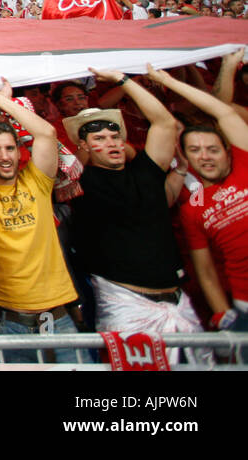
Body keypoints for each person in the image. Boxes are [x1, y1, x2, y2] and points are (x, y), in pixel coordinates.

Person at [71, 67, 206, 355]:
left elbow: (164, 123)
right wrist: (83, 134)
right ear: (84, 147)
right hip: (125, 304)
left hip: (176, 301)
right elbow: (69, 161)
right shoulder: (81, 183)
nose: (111, 143)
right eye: (100, 139)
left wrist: (124, 80)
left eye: (115, 136)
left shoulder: (146, 170)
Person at [0, 79, 82, 363]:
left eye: (10, 149)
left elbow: (46, 133)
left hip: (60, 318)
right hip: (8, 322)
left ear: (19, 151)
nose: (5, 157)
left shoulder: (37, 181)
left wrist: (2, 99)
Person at [147, 61, 248, 332]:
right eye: (194, 150)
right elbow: (205, 271)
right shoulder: (191, 209)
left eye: (212, 149)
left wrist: (169, 82)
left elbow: (224, 113)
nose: (204, 156)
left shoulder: (245, 168)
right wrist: (222, 314)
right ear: (184, 154)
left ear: (228, 150)